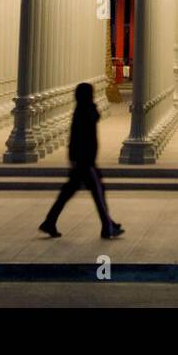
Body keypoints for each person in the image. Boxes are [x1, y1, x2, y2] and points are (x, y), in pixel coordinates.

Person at [39, 82, 124, 238]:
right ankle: (108, 227)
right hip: (85, 162)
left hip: (82, 161)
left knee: (69, 193)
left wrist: (72, 158)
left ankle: (50, 221)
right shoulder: (85, 110)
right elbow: (83, 132)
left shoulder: (80, 110)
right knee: (98, 194)